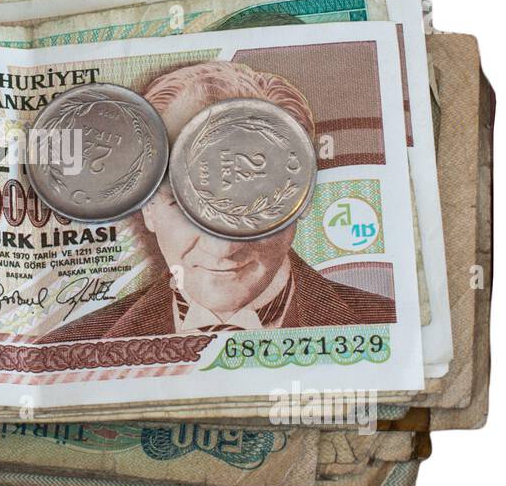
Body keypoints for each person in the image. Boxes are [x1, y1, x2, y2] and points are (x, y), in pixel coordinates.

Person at [39, 61, 395, 342]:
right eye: (182, 203)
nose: (221, 247)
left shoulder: (388, 325)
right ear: (146, 205)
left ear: (300, 201)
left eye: (251, 200)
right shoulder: (69, 345)